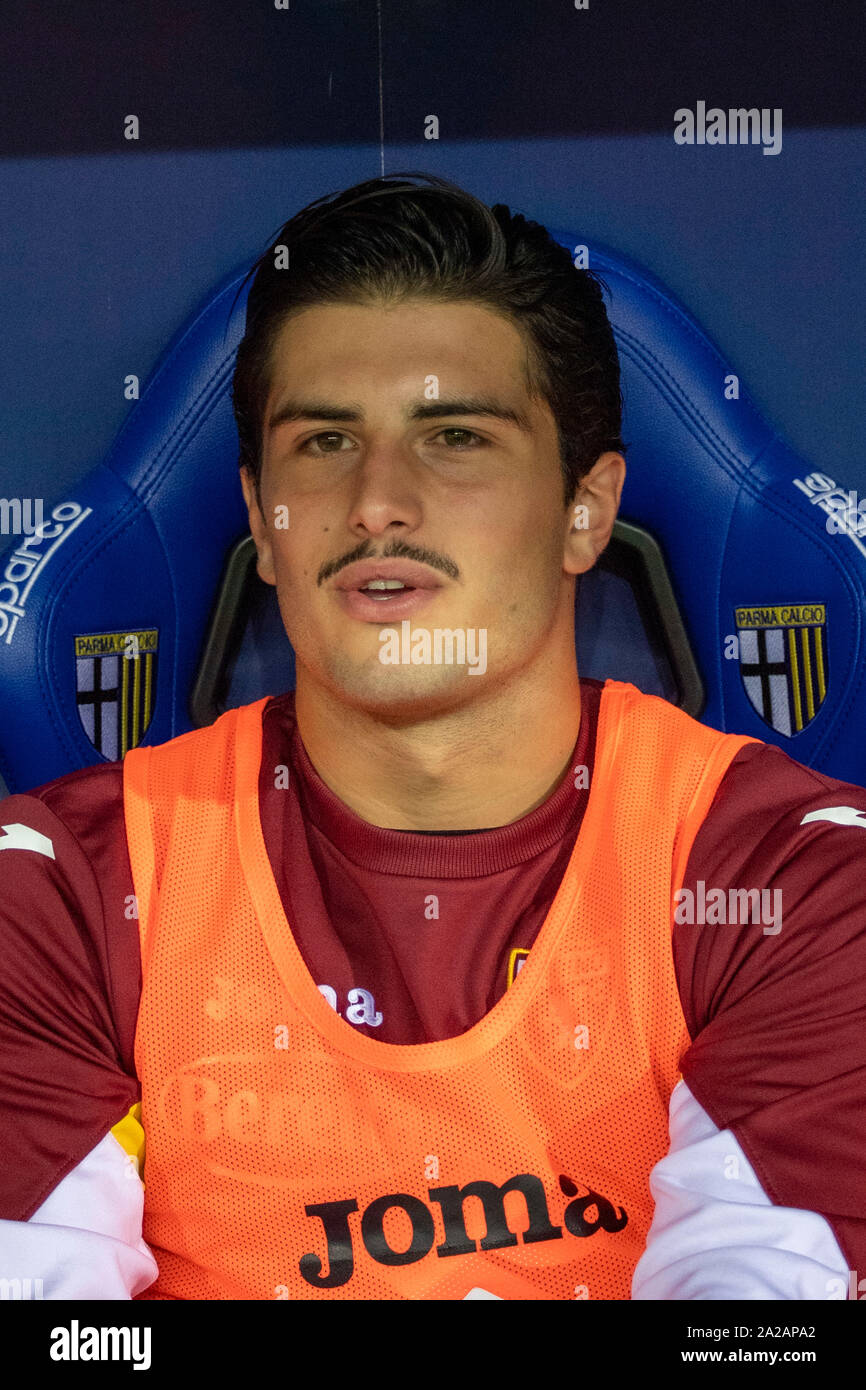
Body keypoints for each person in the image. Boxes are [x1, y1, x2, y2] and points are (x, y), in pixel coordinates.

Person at [0, 172, 864, 1301]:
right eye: (322, 443)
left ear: (584, 510)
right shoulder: (65, 893)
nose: (377, 502)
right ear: (263, 519)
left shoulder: (791, 877)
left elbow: (757, 1323)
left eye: (453, 434)